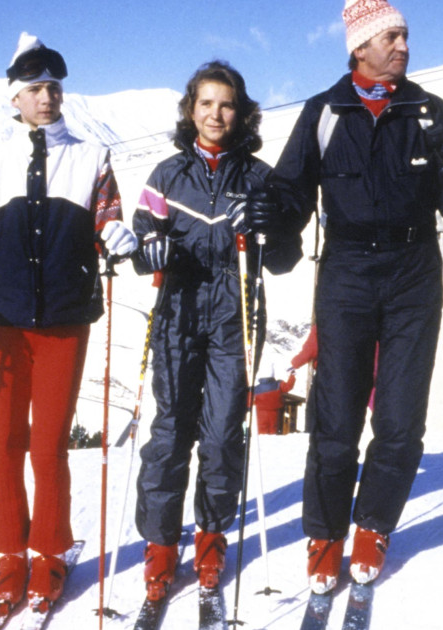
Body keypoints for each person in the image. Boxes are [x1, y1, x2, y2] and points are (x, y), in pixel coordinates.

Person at [272, 0, 443, 594]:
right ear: (359, 47)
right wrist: (271, 220)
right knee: (336, 415)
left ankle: (373, 525)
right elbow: (290, 192)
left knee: (400, 415)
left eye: (405, 36)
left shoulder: (428, 111)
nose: (403, 46)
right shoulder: (324, 112)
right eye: (390, 36)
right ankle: (325, 533)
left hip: (414, 271)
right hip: (345, 270)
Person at [0, 33, 138, 617]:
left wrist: (116, 237)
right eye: (35, 89)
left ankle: (48, 554)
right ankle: (8, 554)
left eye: (53, 87)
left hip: (64, 320)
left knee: (49, 445)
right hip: (3, 318)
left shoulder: (92, 157)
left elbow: (108, 218)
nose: (47, 97)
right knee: (5, 442)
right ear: (15, 98)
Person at [129, 60, 302, 602]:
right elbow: (140, 245)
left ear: (241, 113)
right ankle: (160, 544)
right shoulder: (166, 175)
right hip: (177, 310)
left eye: (226, 105)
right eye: (206, 103)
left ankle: (211, 536)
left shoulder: (259, 178)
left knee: (224, 432)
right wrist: (150, 249)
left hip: (236, 312)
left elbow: (285, 257)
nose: (215, 114)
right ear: (190, 109)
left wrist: (266, 228)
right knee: (170, 431)